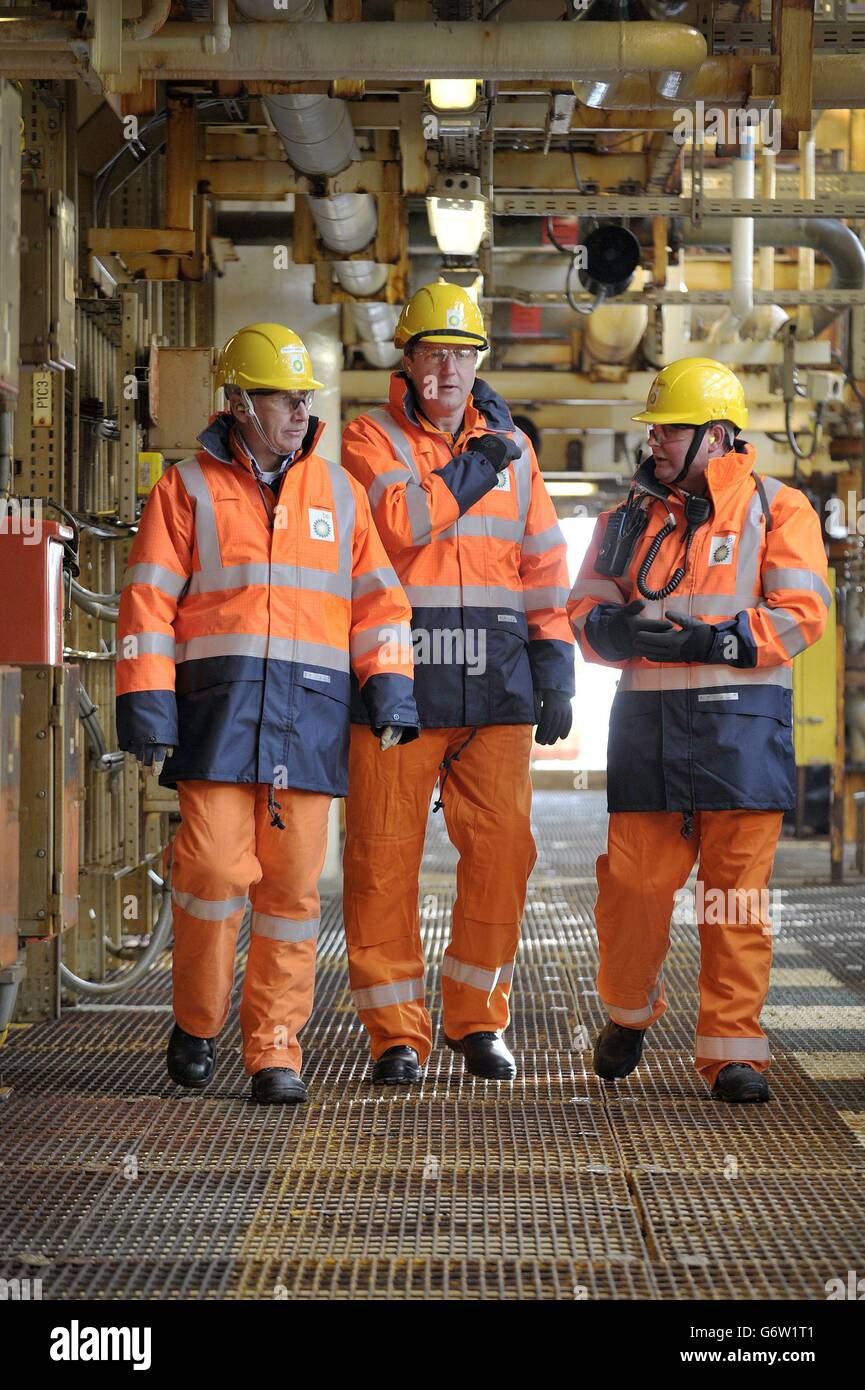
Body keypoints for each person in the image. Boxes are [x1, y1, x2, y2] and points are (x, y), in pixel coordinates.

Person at [116, 322, 418, 1105]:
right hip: (216, 718)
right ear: (238, 401)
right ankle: (196, 1021)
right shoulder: (184, 489)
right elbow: (147, 604)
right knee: (213, 872)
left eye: (302, 399)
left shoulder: (340, 495)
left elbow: (381, 603)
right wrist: (147, 704)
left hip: (307, 723)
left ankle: (276, 1048)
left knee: (290, 894)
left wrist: (388, 685)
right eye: (282, 398)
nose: (296, 412)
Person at [567, 356, 830, 1103]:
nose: (654, 442)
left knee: (734, 900)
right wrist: (610, 633)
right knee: (634, 891)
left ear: (715, 436)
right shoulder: (624, 521)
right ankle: (626, 1016)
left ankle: (732, 1054)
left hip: (740, 735)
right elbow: (582, 611)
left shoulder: (779, 508)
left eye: (669, 430)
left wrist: (716, 640)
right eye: (653, 429)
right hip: (648, 733)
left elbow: (802, 612)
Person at [341, 283, 575, 1084]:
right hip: (396, 683)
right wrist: (478, 463)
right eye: (432, 351)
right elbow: (401, 523)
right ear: (404, 360)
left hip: (497, 689)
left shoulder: (516, 453)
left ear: (479, 362)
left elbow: (542, 564)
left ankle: (477, 1019)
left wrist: (556, 664)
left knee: (504, 855)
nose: (447, 367)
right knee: (381, 861)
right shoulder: (365, 439)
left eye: (461, 353)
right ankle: (394, 1034)